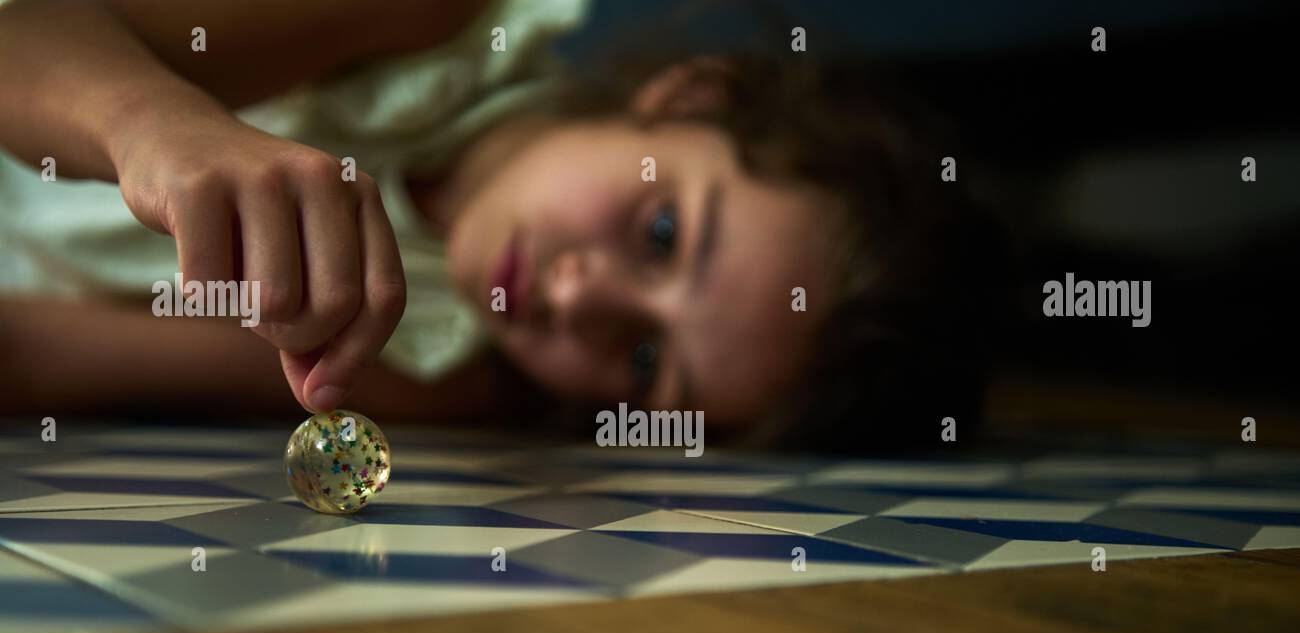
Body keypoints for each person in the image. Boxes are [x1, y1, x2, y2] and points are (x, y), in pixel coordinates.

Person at [0, 0, 1005, 451]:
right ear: (692, 96)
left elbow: (37, 358)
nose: (576, 299)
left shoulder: (441, 369)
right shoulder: (430, 19)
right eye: (662, 236)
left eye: (646, 363)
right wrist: (156, 127)